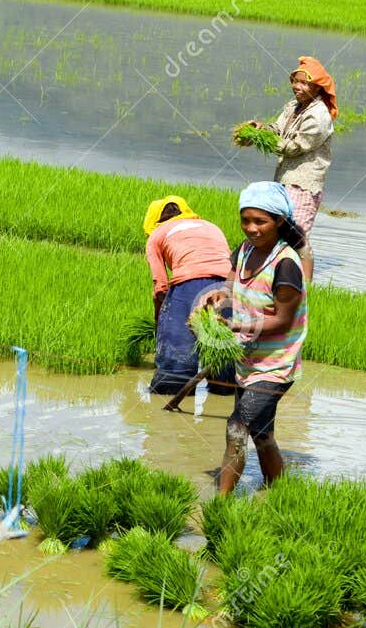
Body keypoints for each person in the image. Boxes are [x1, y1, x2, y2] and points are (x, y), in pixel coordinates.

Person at [217, 181, 308, 495]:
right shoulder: (243, 250)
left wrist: (238, 324)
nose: (251, 228)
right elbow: (229, 285)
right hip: (247, 361)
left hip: (275, 365)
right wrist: (219, 298)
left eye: (260, 221)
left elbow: (283, 320)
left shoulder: (285, 265)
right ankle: (278, 493)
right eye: (246, 220)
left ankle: (220, 503)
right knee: (262, 434)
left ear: (279, 221)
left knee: (236, 429)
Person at [245, 55, 335, 281]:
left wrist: (262, 140)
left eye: (305, 83)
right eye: (296, 81)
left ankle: (305, 287)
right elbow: (278, 129)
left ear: (317, 87)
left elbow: (296, 147)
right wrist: (261, 129)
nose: (298, 87)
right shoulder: (292, 107)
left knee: (297, 237)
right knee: (278, 233)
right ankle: (277, 280)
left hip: (304, 184)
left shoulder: (319, 115)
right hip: (284, 181)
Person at [143, 195, 235, 395]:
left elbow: (160, 287)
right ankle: (222, 392)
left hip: (188, 284)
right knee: (223, 362)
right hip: (226, 288)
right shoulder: (211, 226)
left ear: (153, 221)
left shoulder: (157, 235)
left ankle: (172, 394)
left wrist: (160, 321)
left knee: (176, 369)